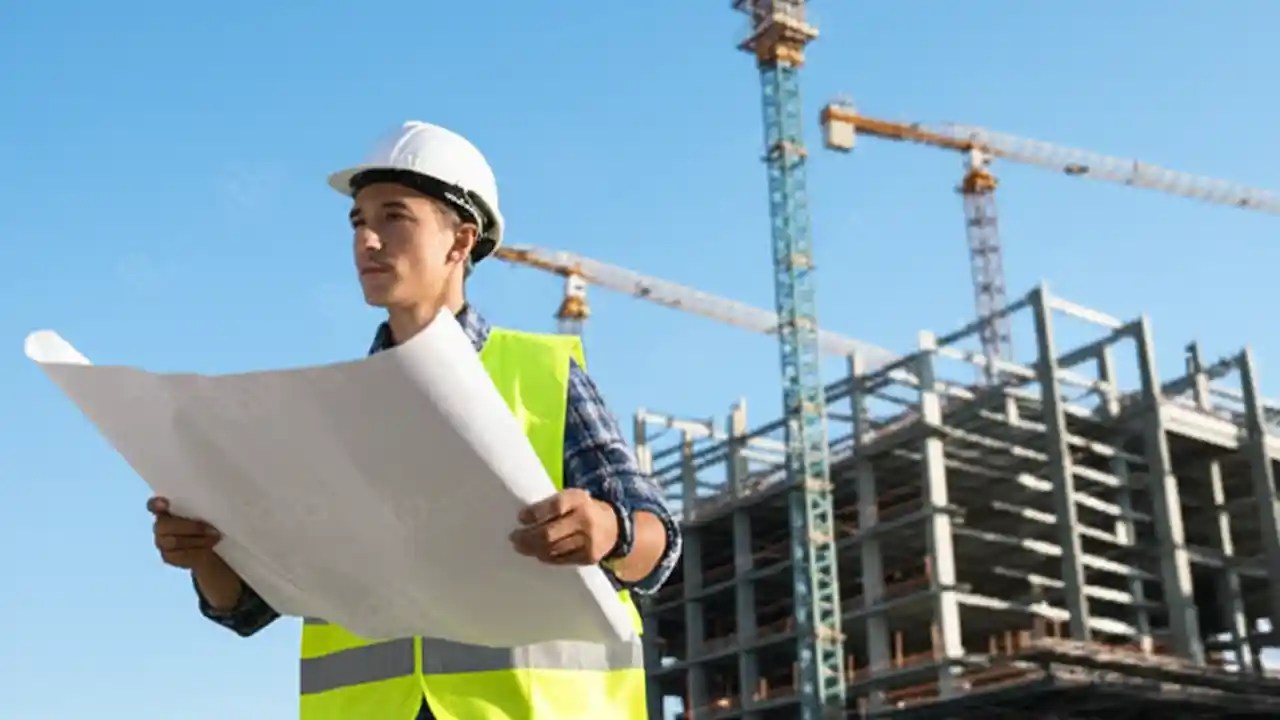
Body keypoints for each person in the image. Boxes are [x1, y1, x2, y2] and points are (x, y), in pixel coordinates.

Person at [146, 120, 682, 719]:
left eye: (393, 218)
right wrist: (203, 554)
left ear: (460, 242)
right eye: (357, 222)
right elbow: (248, 607)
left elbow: (659, 546)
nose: (366, 241)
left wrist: (609, 529)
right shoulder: (331, 411)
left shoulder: (541, 375)